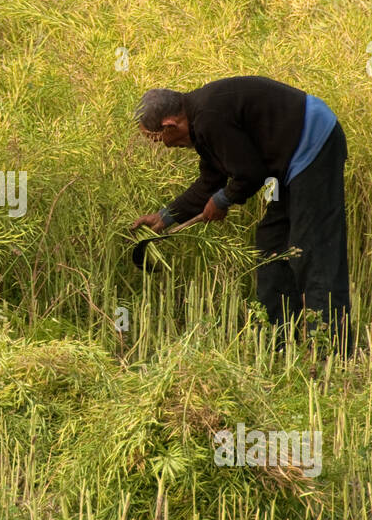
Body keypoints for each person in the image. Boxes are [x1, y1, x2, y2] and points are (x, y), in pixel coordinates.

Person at [130, 76, 352, 359]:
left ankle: (329, 351)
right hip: (285, 164)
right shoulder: (202, 123)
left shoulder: (209, 118)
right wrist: (165, 218)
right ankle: (277, 344)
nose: (162, 146)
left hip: (313, 143)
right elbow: (210, 182)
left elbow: (250, 174)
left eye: (157, 139)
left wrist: (223, 201)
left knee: (313, 250)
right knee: (272, 245)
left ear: (169, 125)